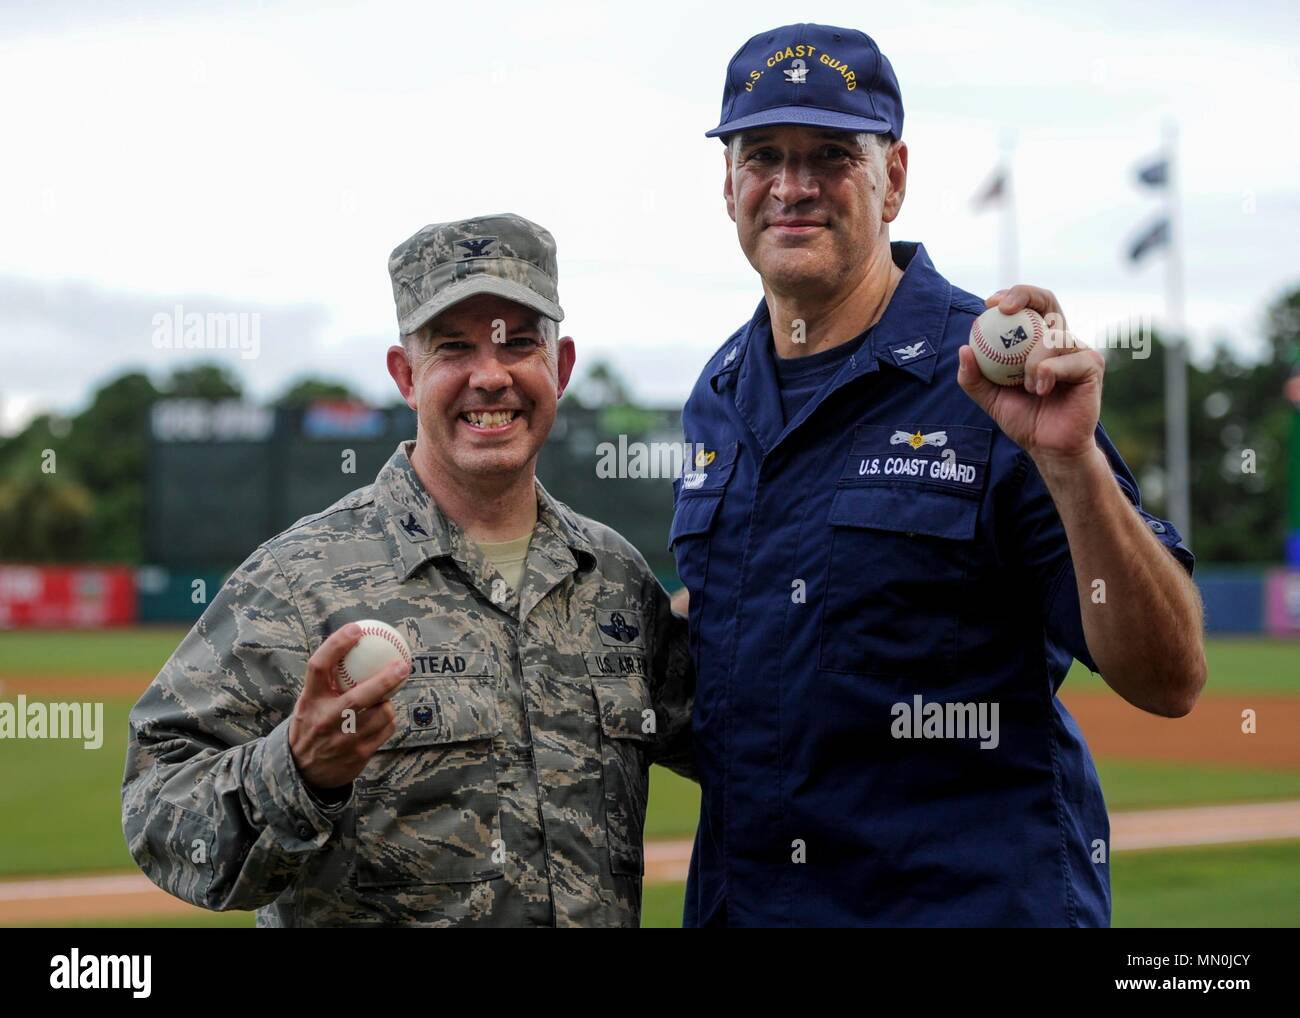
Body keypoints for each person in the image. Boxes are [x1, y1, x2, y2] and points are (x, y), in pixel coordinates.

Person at [670, 24, 1206, 926]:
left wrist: (1071, 464)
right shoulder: (719, 394)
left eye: (832, 157)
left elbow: (1171, 678)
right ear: (729, 186)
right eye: (763, 155)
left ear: (896, 180)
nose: (792, 186)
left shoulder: (992, 385)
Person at [122, 213, 694, 927]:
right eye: (454, 347)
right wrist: (294, 773)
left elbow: (751, 743)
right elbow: (155, 804)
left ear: (562, 366)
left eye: (519, 342)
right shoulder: (300, 580)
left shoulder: (613, 577)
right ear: (406, 374)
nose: (491, 375)